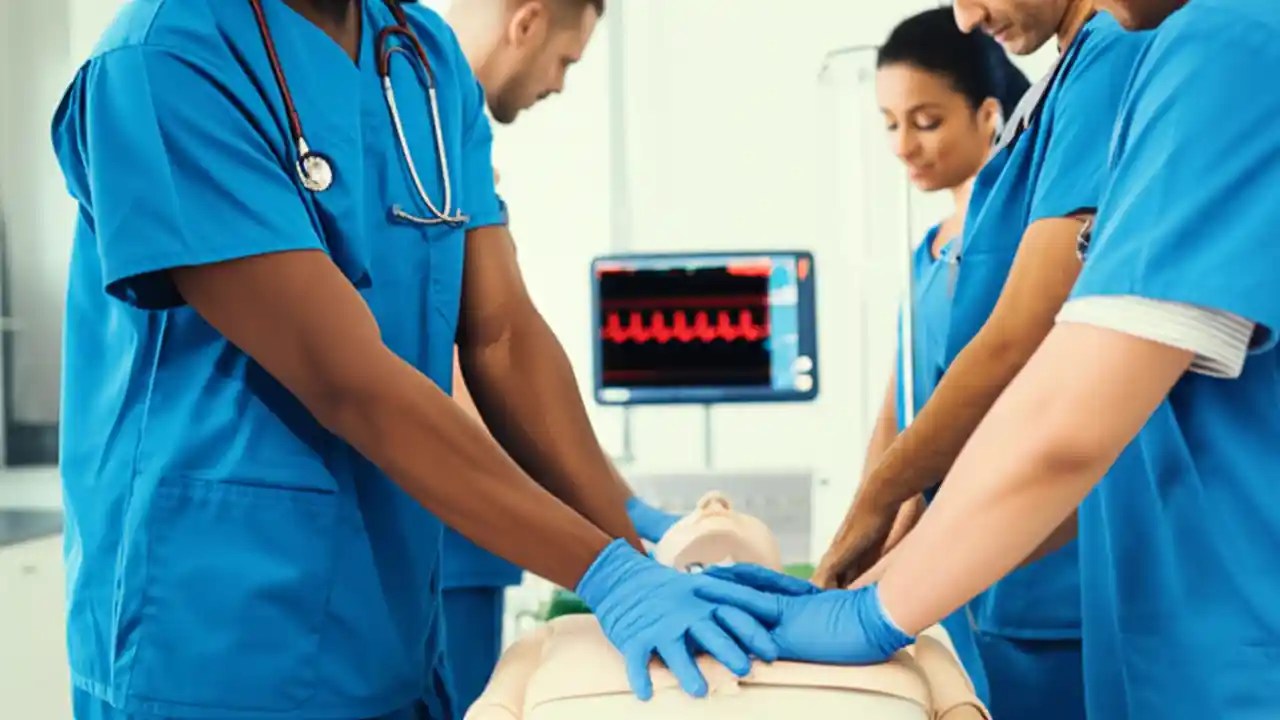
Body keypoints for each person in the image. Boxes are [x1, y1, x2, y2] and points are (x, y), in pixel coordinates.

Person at [49, 1, 778, 718]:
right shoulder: (165, 58)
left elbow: (503, 335)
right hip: (216, 642)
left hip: (390, 629)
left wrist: (643, 561)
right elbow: (343, 377)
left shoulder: (420, 53)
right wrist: (607, 573)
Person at [699, 0, 1280, 717]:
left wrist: (877, 605)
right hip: (1169, 608)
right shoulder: (1181, 52)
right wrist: (893, 571)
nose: (967, 17)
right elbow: (1109, 449)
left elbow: (1066, 418)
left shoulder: (1222, 45)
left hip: (1232, 627)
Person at [812, 2, 1148, 717]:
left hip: (1059, 558)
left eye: (926, 121)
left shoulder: (1117, 57)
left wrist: (879, 515)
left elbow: (1020, 342)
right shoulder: (1064, 94)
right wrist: (887, 557)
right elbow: (911, 395)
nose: (966, 17)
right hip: (982, 554)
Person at [426, 1, 682, 711]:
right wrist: (610, 557)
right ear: (528, 21)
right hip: (436, 510)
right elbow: (452, 373)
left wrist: (622, 512)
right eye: (567, 61)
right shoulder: (401, 115)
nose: (562, 85)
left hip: (462, 530)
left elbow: (508, 349)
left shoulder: (454, 133)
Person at [840, 7, 1032, 705]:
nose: (902, 145)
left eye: (925, 122)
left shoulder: (1021, 247)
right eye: (890, 125)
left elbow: (996, 402)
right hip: (940, 577)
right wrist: (856, 538)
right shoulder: (926, 251)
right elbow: (902, 409)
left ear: (988, 114)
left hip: (1023, 565)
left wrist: (895, 560)